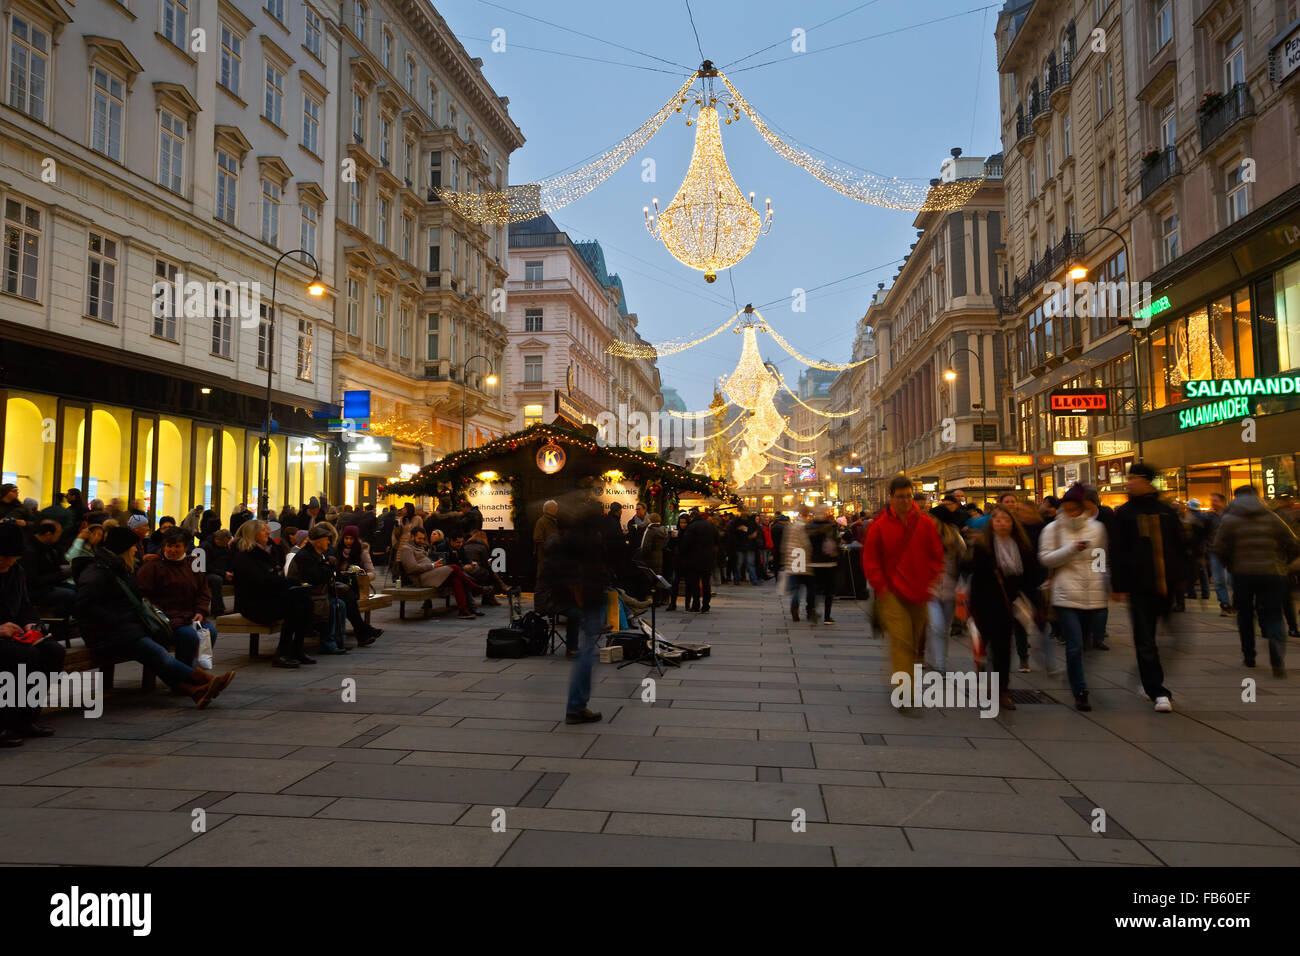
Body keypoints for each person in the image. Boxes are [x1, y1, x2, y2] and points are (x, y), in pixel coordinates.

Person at [74, 526, 235, 706]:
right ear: (124, 548)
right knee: (161, 655)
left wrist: (199, 611)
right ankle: (204, 679)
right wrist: (118, 621)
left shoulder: (118, 568)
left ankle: (196, 690)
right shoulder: (98, 571)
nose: (136, 550)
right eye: (134, 546)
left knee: (198, 636)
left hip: (127, 629)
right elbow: (84, 605)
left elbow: (202, 592)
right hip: (110, 633)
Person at [1110, 463, 1187, 713]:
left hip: (1167, 586)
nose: (1128, 482)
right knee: (1145, 639)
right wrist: (1118, 585)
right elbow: (1118, 552)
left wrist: (1184, 577)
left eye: (1133, 478)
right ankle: (1157, 690)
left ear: (1147, 481)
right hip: (1140, 587)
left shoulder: (1166, 511)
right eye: (1128, 477)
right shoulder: (1124, 513)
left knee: (1175, 638)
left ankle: (1147, 676)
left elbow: (1180, 546)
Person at [864, 479, 943, 700]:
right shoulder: (879, 526)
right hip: (891, 593)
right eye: (901, 496)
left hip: (919, 591)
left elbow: (936, 554)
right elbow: (871, 559)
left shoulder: (924, 523)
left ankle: (903, 677)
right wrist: (881, 586)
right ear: (891, 498)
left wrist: (930, 578)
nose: (906, 500)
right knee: (902, 639)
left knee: (914, 641)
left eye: (909, 496)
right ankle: (903, 690)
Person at [1213, 485, 1298, 678]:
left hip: (1242, 573)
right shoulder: (1272, 517)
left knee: (1244, 614)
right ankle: (1277, 659)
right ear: (1257, 496)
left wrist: (1230, 564)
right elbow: (1293, 542)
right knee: (1274, 614)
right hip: (1273, 572)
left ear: (1236, 497)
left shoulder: (1229, 519)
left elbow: (1218, 547)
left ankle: (1249, 655)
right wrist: (1283, 561)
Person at [964, 505, 1042, 712]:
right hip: (986, 603)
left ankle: (1002, 689)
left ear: (1012, 523)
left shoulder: (1022, 546)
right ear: (992, 524)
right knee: (988, 646)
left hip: (1009, 604)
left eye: (1006, 520)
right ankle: (987, 680)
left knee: (1003, 649)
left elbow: (1030, 577)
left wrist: (1035, 603)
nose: (1002, 524)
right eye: (997, 520)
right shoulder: (984, 546)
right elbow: (975, 576)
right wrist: (973, 606)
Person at [1039, 484, 1109, 711]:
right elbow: (1046, 560)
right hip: (1065, 593)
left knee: (1086, 645)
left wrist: (1103, 584)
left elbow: (1101, 559)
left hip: (1093, 595)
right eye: (1066, 508)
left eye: (1074, 508)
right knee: (1075, 644)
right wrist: (1071, 550)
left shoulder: (1097, 529)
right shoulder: (1053, 530)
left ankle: (1077, 676)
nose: (1070, 512)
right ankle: (1080, 690)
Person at [539, 500, 609, 724]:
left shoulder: (564, 539)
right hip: (582, 600)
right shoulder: (585, 540)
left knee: (587, 651)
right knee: (586, 653)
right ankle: (576, 706)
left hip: (579, 599)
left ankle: (578, 705)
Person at [0, 523, 66, 745]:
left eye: (12, 558)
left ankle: (26, 716)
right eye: (3, 558)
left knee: (52, 651)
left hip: (14, 633)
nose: (8, 563)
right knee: (22, 657)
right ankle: (5, 722)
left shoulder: (15, 571)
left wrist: (31, 625)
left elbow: (26, 606)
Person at [232, 519, 314, 668]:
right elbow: (259, 581)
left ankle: (297, 648)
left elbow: (277, 577)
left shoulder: (270, 550)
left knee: (306, 602)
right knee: (293, 606)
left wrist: (290, 583)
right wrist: (287, 583)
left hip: (271, 597)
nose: (268, 532)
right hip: (253, 603)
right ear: (254, 534)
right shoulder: (244, 556)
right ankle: (282, 653)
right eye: (264, 530)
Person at [136, 527, 218, 667]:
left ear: (185, 547)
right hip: (167, 620)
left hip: (191, 617)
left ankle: (195, 670)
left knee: (211, 631)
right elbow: (145, 598)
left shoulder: (193, 565)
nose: (172, 550)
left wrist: (200, 611)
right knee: (189, 636)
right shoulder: (153, 567)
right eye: (169, 546)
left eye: (177, 546)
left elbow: (203, 592)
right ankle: (184, 675)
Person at [287, 523, 349, 655]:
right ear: (318, 541)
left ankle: (338, 640)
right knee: (333, 605)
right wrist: (327, 567)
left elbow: (326, 573)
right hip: (305, 595)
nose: (328, 541)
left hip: (318, 593)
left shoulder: (319, 553)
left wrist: (328, 567)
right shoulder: (305, 556)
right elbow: (315, 577)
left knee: (341, 604)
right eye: (326, 539)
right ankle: (328, 642)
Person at [398, 527, 482, 619]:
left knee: (456, 579)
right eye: (419, 538)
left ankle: (463, 611)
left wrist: (434, 564)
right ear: (412, 537)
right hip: (421, 578)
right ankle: (476, 588)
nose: (421, 541)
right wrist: (433, 565)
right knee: (455, 568)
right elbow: (412, 568)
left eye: (423, 538)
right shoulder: (406, 549)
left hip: (430, 574)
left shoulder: (419, 547)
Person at [926, 503, 967, 672]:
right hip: (930, 589)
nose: (929, 520)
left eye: (933, 518)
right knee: (937, 626)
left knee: (944, 629)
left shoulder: (956, 539)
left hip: (950, 590)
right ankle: (939, 663)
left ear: (940, 520)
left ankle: (939, 661)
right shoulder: (925, 537)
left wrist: (962, 586)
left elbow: (964, 564)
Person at [23, 519, 76, 619]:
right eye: (58, 533)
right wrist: (63, 574)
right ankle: (58, 625)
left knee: (79, 589)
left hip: (48, 584)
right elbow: (34, 581)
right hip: (34, 591)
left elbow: (55, 567)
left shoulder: (50, 546)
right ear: (48, 534)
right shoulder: (30, 551)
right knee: (69, 594)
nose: (59, 536)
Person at [678, 510, 719, 613]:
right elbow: (718, 540)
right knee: (706, 583)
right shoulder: (710, 525)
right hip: (708, 559)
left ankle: (696, 605)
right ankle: (706, 605)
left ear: (692, 518)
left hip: (694, 560)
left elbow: (685, 544)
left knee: (694, 584)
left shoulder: (692, 527)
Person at [807, 504, 840, 624]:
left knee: (814, 589)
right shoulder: (830, 526)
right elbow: (835, 542)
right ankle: (827, 617)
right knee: (828, 590)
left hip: (813, 562)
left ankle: (812, 610)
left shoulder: (809, 527)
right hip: (828, 562)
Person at [782, 506, 816, 622]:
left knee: (795, 588)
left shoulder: (791, 526)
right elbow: (806, 544)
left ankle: (794, 607)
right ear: (806, 514)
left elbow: (785, 544)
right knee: (810, 587)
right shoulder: (803, 527)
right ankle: (809, 609)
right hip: (803, 561)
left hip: (792, 560)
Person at [1205, 493, 1234, 616]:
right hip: (1214, 551)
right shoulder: (1209, 517)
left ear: (1222, 502)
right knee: (1219, 579)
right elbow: (1204, 534)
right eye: (1212, 501)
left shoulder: (1231, 515)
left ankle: (1238, 603)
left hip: (1231, 551)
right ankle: (1225, 604)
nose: (1213, 503)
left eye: (1215, 501)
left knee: (1233, 579)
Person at [201, 529, 235, 617]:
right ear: (217, 539)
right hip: (208, 574)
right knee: (217, 580)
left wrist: (232, 572)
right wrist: (224, 573)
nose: (225, 545)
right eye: (224, 543)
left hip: (223, 573)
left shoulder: (225, 546)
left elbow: (229, 561)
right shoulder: (205, 547)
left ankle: (239, 608)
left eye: (226, 543)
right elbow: (206, 567)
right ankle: (217, 611)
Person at [726, 508, 761, 586]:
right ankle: (737, 579)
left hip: (749, 546)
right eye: (743, 511)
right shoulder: (736, 522)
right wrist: (738, 529)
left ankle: (754, 580)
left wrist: (747, 532)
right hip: (740, 546)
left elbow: (755, 532)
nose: (744, 513)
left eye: (745, 511)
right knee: (739, 563)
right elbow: (731, 532)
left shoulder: (750, 521)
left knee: (750, 564)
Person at [662, 514, 690, 611]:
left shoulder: (689, 533)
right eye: (681, 522)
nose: (683, 524)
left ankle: (687, 604)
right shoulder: (676, 532)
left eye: (685, 522)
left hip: (686, 561)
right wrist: (673, 538)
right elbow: (669, 546)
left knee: (688, 584)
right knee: (674, 583)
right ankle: (672, 604)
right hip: (677, 561)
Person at [532, 500, 560, 582]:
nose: (557, 509)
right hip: (545, 558)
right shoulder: (541, 522)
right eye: (555, 508)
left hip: (553, 558)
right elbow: (537, 539)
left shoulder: (554, 521)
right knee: (543, 582)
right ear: (549, 509)